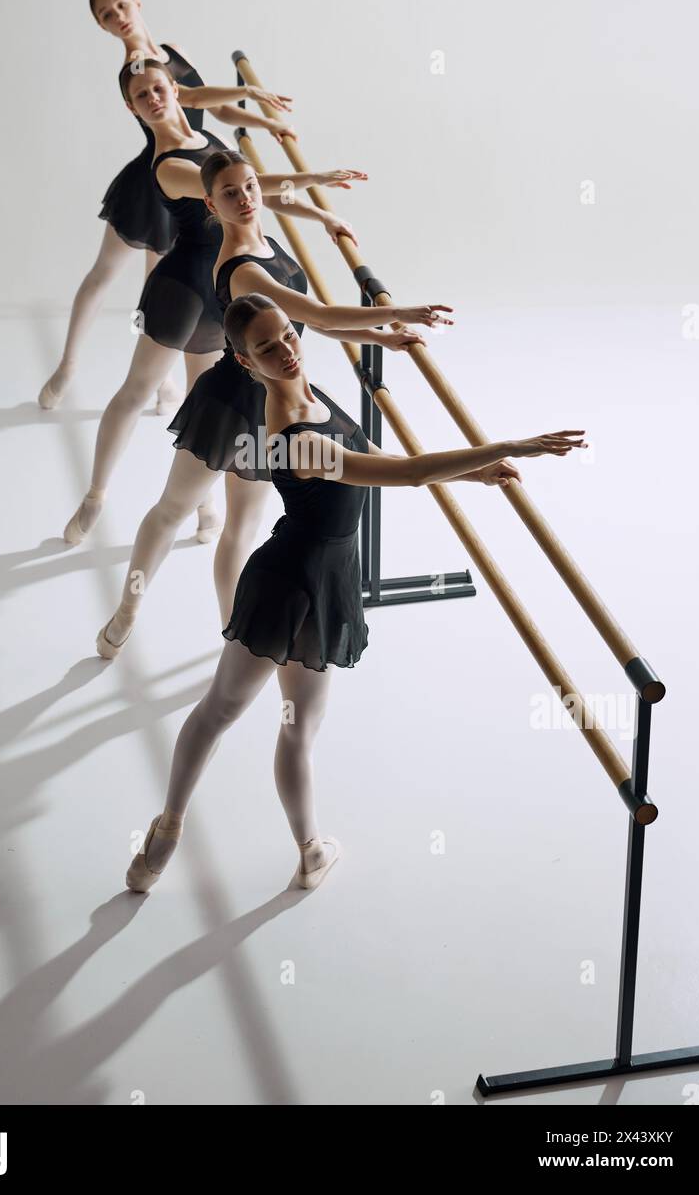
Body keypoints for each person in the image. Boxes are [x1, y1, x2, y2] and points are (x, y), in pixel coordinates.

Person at [125, 293, 587, 894]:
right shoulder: (295, 434)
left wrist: (475, 473)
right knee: (248, 716)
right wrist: (506, 446)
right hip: (293, 584)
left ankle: (252, 841)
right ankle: (194, 830)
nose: (286, 350)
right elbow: (407, 475)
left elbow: (386, 461)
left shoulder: (308, 396)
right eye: (266, 347)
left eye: (288, 334)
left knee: (253, 716)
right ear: (243, 362)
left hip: (309, 579)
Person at [95, 145, 441, 657]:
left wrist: (322, 205)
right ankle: (128, 609)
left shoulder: (264, 235)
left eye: (251, 187)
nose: (246, 199)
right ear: (210, 206)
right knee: (172, 510)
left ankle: (234, 639)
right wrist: (395, 318)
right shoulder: (241, 270)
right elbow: (316, 315)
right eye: (229, 194)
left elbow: (284, 207)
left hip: (276, 412)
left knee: (242, 529)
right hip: (228, 408)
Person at [63, 59, 368, 551]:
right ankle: (97, 493)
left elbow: (254, 196)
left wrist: (319, 216)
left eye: (161, 89)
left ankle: (202, 502)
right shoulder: (168, 164)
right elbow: (247, 189)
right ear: (133, 108)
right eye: (144, 96)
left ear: (176, 89)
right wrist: (317, 176)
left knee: (203, 393)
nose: (156, 99)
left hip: (225, 295)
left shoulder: (211, 145)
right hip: (184, 286)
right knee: (138, 388)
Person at [38, 0, 293, 415]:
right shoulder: (138, 67)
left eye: (121, 5)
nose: (118, 17)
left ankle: (163, 379)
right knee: (107, 273)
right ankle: (68, 365)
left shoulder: (172, 52)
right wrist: (250, 91)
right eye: (107, 15)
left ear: (136, 2)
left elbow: (212, 108)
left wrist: (271, 124)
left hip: (198, 175)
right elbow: (189, 95)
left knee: (166, 278)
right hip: (159, 180)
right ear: (103, 27)